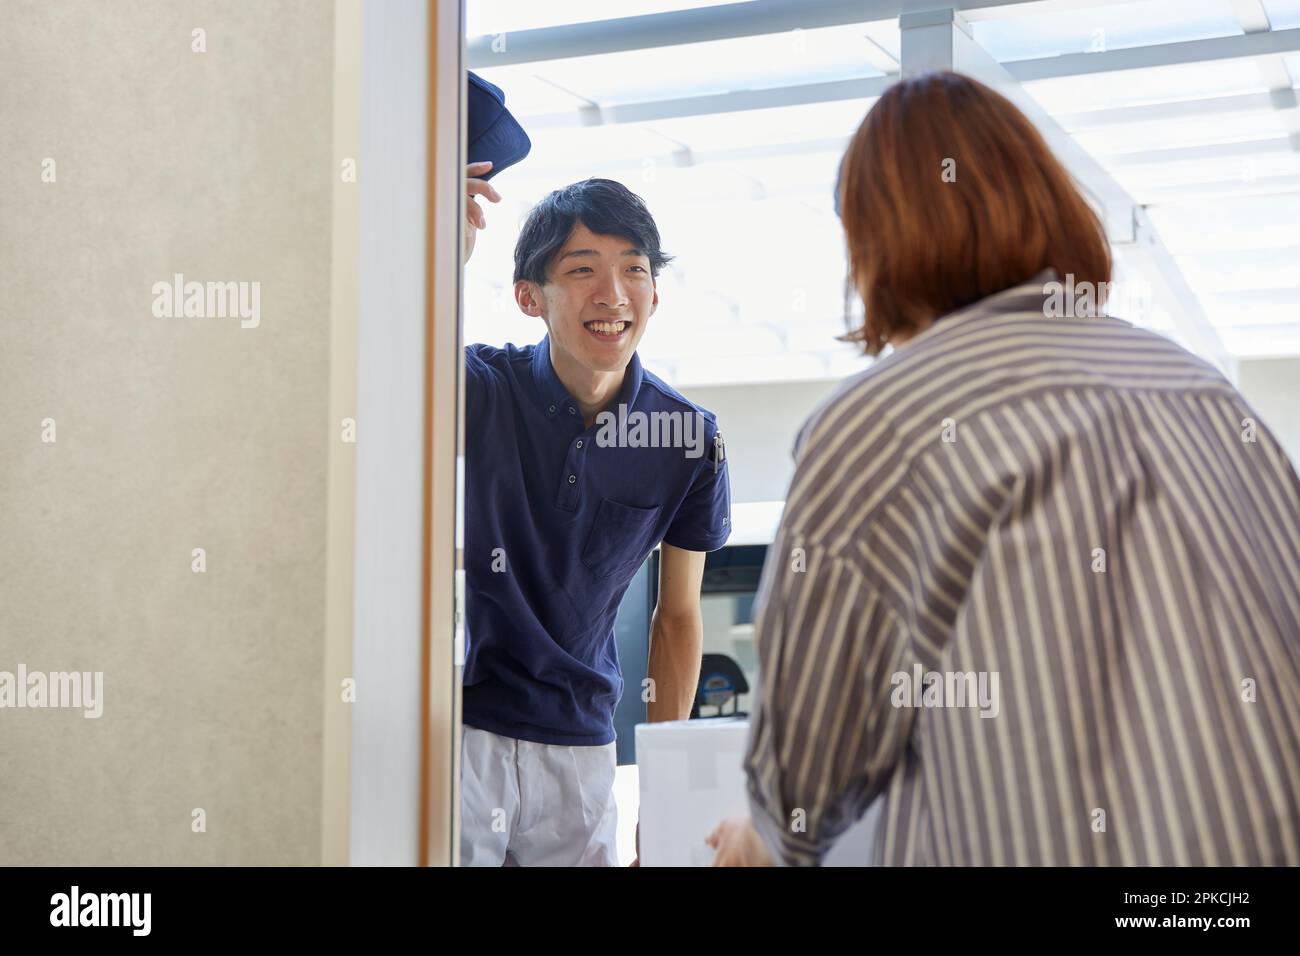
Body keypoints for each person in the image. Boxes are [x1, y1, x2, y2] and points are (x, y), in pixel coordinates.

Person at [708, 70, 1300, 866]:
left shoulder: (881, 426)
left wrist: (755, 839)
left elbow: (803, 788)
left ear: (873, 243)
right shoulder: (1199, 388)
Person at [461, 173, 732, 866]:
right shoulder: (480, 390)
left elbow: (676, 618)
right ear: (529, 297)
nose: (612, 295)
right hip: (457, 731)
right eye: (582, 270)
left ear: (654, 294)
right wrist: (439, 246)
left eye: (633, 271)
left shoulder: (688, 439)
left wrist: (668, 798)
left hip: (581, 745)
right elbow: (385, 352)